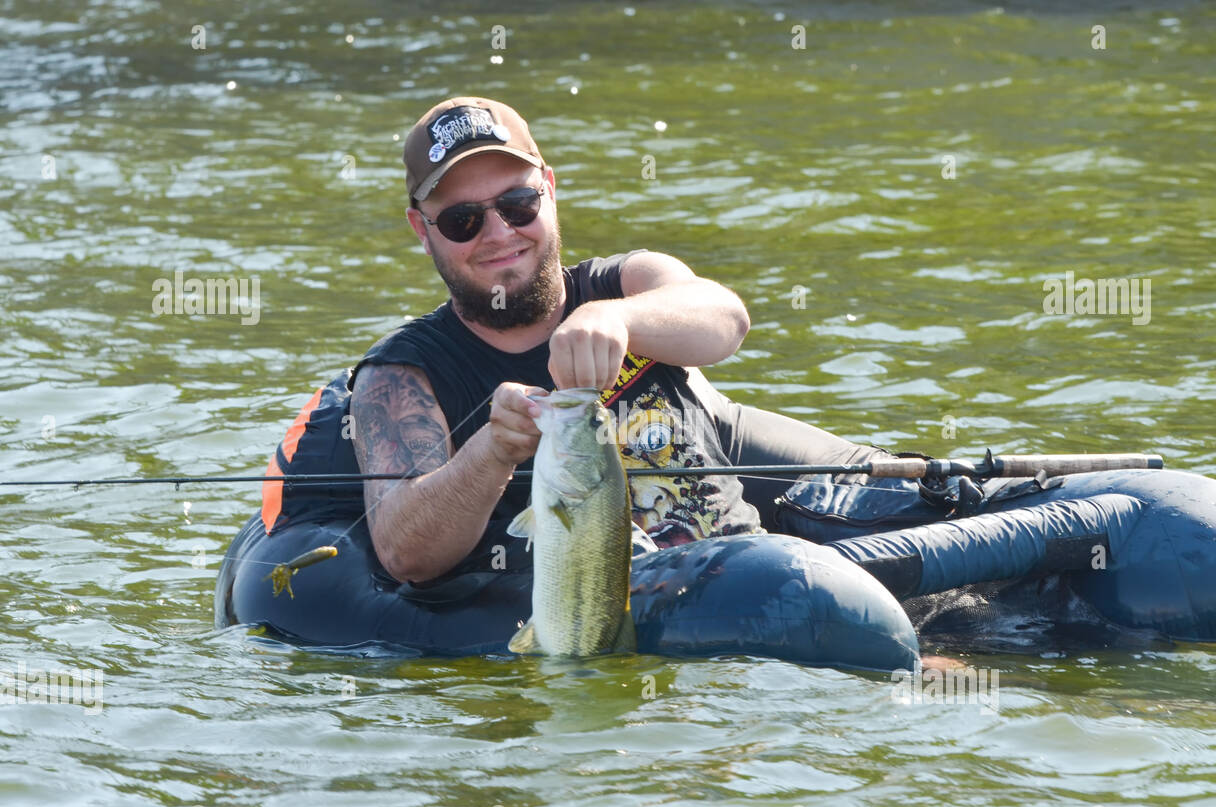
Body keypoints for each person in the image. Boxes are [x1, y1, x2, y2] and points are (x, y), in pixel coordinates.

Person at [259, 96, 892, 587]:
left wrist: (620, 320)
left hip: (754, 577)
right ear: (422, 232)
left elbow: (725, 319)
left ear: (551, 190)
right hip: (608, 616)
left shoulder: (628, 283)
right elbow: (405, 552)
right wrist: (493, 449)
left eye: (518, 202)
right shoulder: (402, 374)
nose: (499, 232)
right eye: (462, 219)